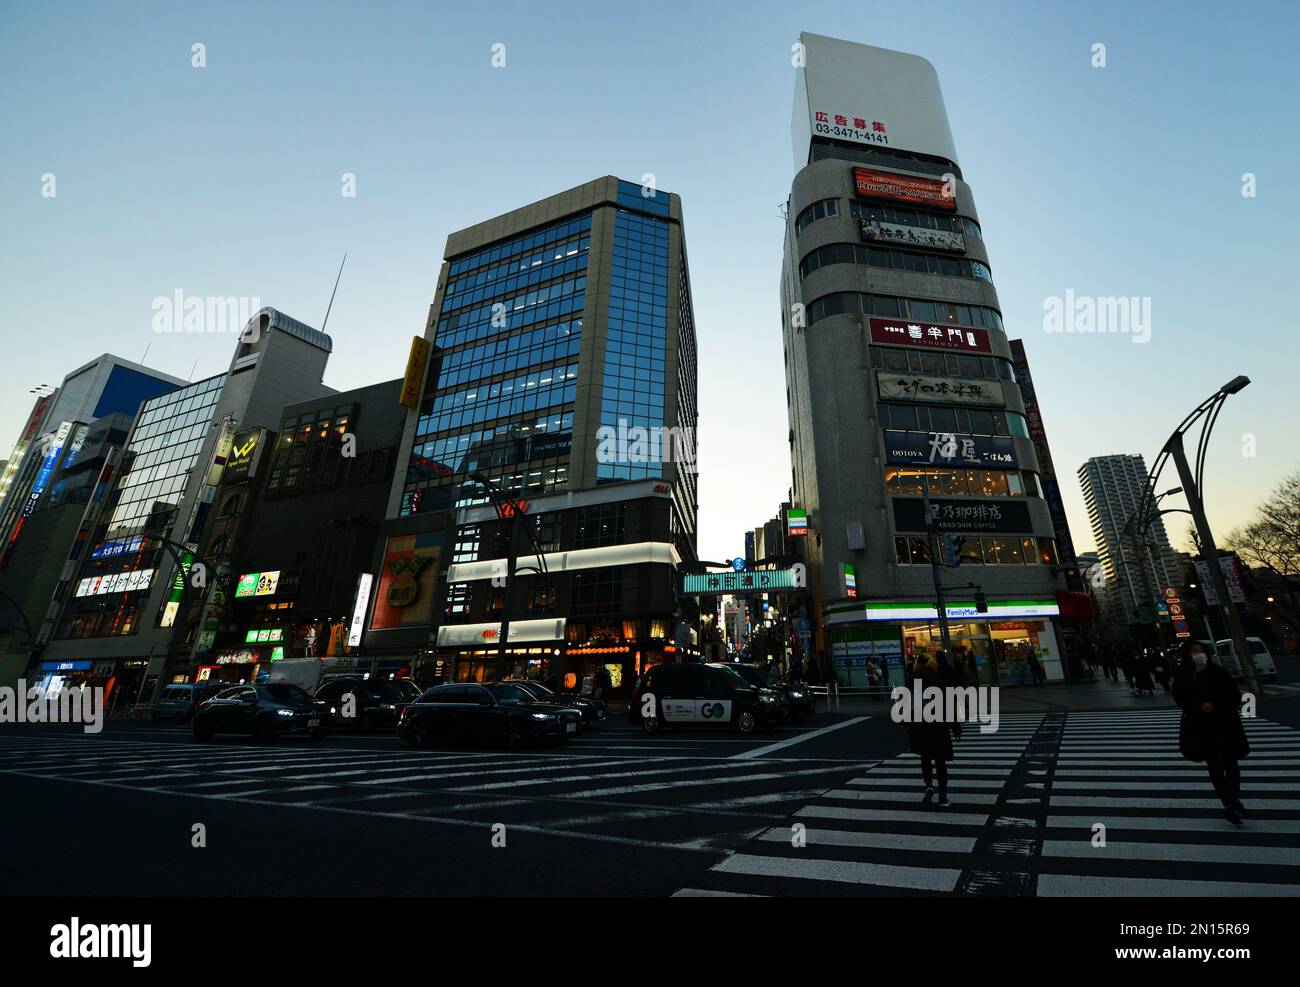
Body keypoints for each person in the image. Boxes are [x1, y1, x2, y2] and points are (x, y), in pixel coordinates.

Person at [1172, 640, 1250, 824]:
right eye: (1193, 651)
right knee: (1215, 767)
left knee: (1231, 766)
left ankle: (1232, 801)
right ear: (1187, 655)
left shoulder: (1217, 672)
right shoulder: (1183, 675)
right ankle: (1230, 804)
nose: (1197, 654)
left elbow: (1234, 696)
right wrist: (1198, 707)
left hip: (1225, 724)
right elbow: (1180, 699)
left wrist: (1215, 705)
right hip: (1202, 729)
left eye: (1200, 651)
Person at [905, 655, 960, 808]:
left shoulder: (911, 679)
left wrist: (907, 726)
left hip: (919, 726)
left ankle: (928, 785)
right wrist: (956, 728)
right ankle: (943, 796)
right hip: (938, 726)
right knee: (940, 762)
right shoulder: (937, 678)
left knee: (925, 758)